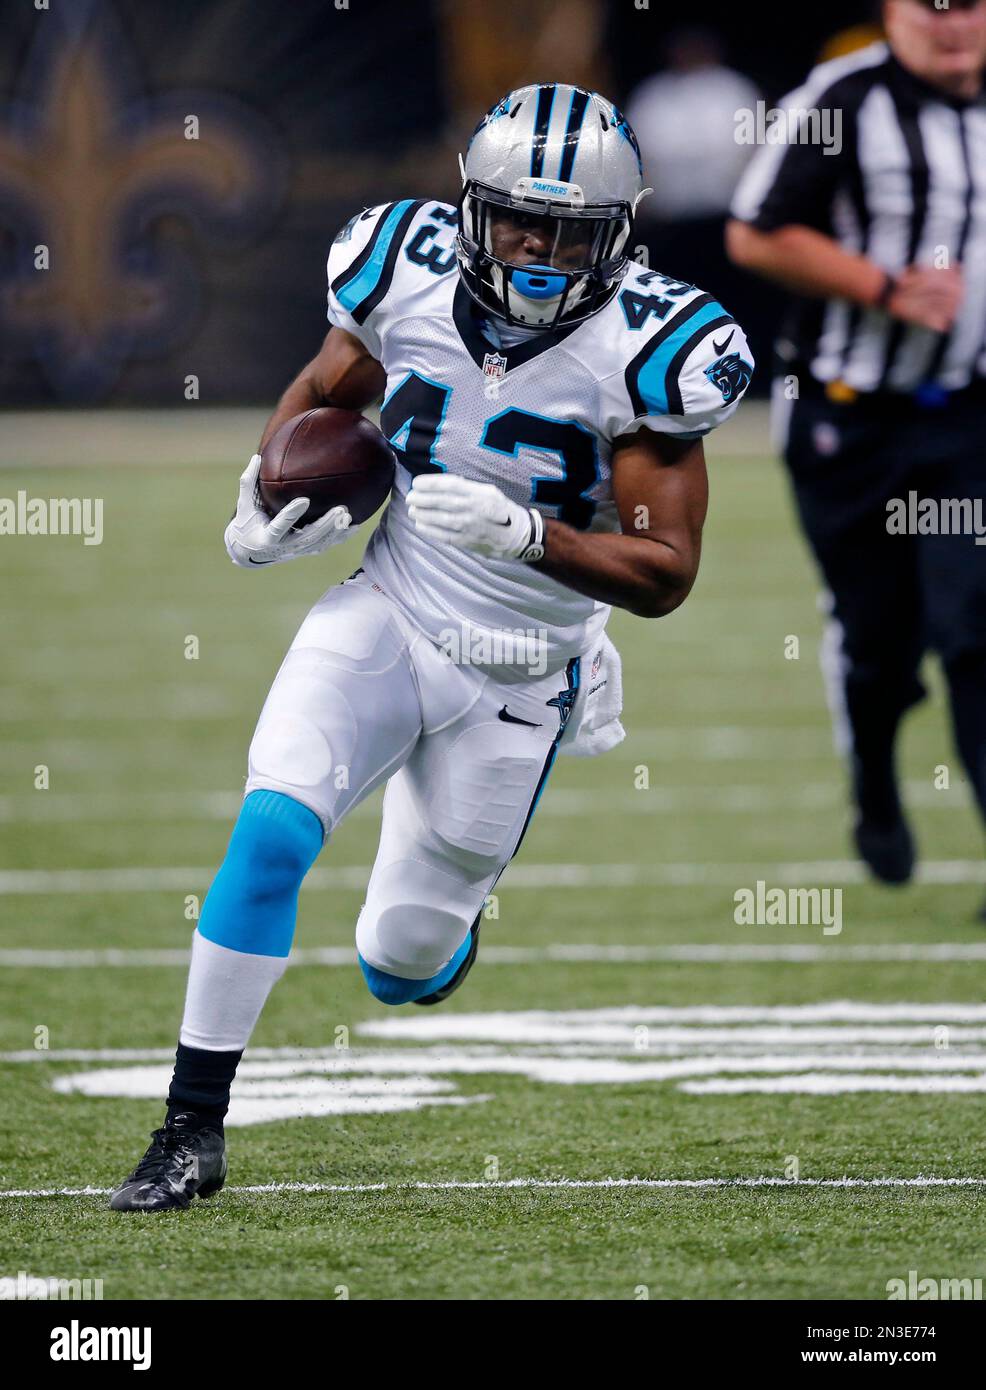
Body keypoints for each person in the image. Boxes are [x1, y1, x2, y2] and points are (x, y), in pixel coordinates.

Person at [110, 82, 753, 1211]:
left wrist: (529, 534)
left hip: (518, 672)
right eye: (517, 220)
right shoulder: (395, 265)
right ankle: (188, 1130)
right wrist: (267, 496)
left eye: (570, 231)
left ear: (620, 235)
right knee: (270, 829)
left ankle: (430, 925)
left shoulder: (654, 349)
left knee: (401, 961)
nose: (541, 250)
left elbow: (665, 575)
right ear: (469, 210)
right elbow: (324, 392)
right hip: (390, 611)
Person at [727, 0, 986, 891]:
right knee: (883, 644)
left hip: (967, 414)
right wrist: (883, 286)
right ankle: (875, 780)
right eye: (934, 7)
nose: (954, 26)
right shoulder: (844, 99)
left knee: (976, 629)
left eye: (972, 5)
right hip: (850, 416)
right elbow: (752, 230)